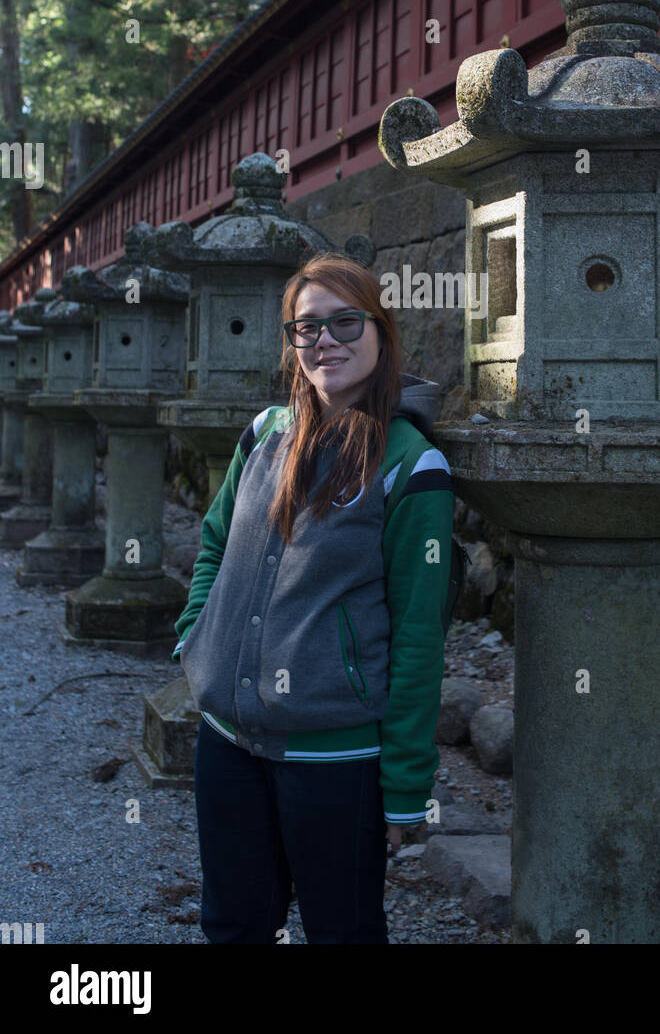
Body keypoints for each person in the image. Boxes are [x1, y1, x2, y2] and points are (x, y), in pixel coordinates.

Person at [171, 253, 455, 944]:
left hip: (334, 755)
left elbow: (419, 635)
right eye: (307, 328)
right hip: (227, 740)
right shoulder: (264, 433)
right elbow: (212, 544)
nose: (325, 340)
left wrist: (405, 785)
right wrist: (195, 639)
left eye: (344, 322)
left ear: (381, 333)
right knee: (234, 923)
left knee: (343, 929)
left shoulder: (411, 464)